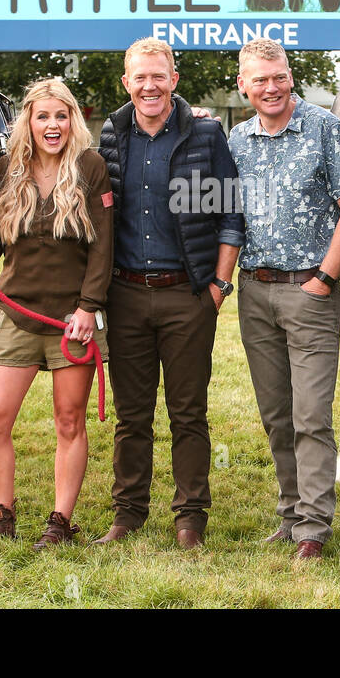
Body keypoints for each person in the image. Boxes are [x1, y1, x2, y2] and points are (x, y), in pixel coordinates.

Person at [93, 38, 244, 549]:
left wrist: (219, 287)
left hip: (189, 295)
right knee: (131, 416)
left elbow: (230, 213)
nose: (150, 85)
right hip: (126, 295)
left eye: (159, 75)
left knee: (188, 413)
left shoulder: (204, 133)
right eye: (140, 77)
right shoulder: (111, 135)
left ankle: (190, 519)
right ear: (127, 83)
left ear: (174, 79)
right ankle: (128, 513)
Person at [0, 77, 113, 549]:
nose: (52, 125)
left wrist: (89, 307)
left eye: (61, 116)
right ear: (28, 120)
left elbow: (103, 246)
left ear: (73, 121)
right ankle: (2, 515)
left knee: (69, 421)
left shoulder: (90, 167)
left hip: (73, 321)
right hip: (17, 314)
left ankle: (60, 522)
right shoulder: (9, 168)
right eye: (43, 116)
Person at [228, 38, 340, 561]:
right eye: (259, 79)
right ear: (244, 85)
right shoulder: (236, 140)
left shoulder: (326, 128)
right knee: (276, 413)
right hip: (255, 290)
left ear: (291, 76)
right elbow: (229, 217)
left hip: (310, 290)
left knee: (311, 414)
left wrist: (326, 278)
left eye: (279, 76)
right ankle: (290, 514)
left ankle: (314, 525)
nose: (271, 87)